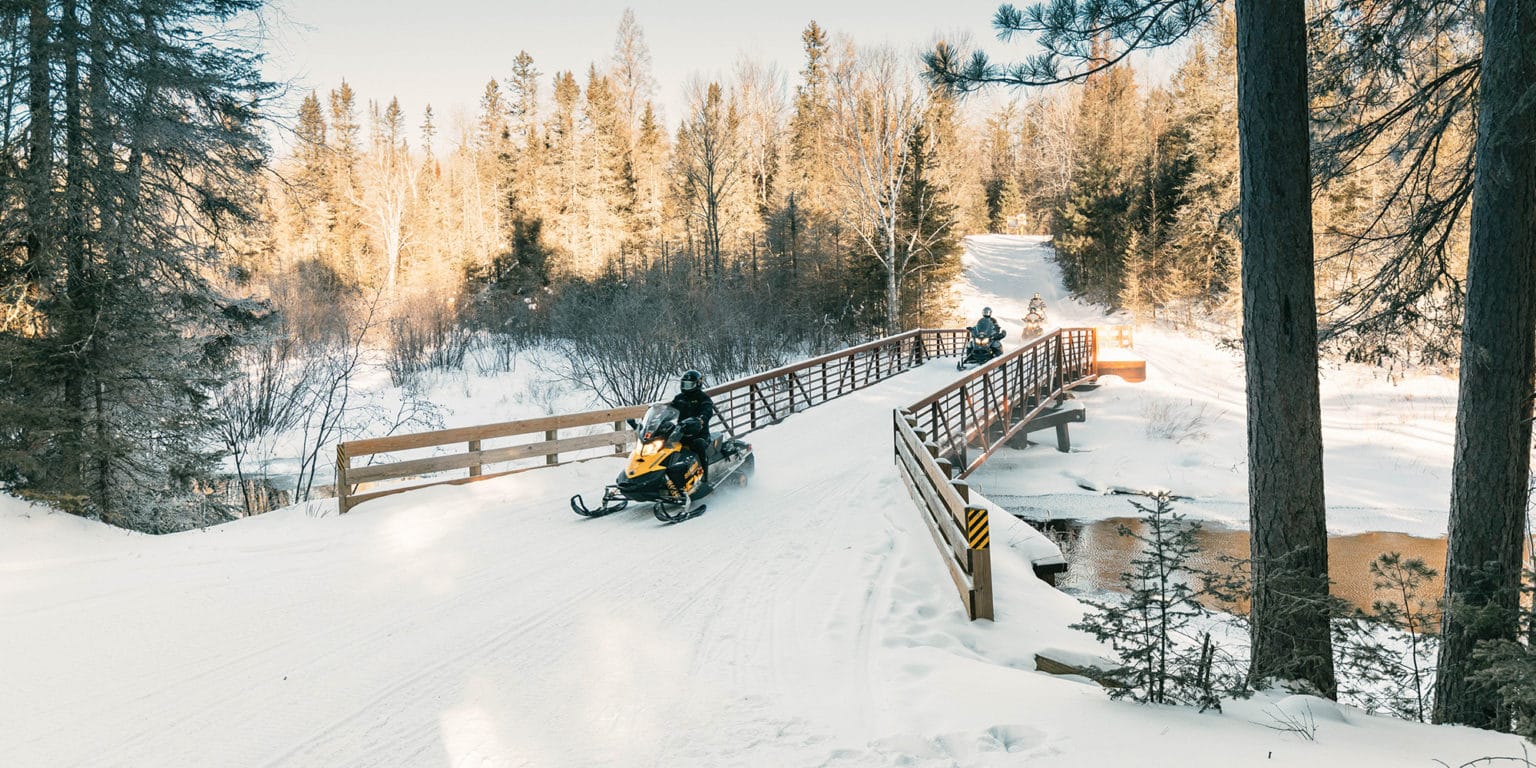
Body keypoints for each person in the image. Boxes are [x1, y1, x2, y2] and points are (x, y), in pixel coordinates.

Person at [668, 369, 717, 489]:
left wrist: (701, 419)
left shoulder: (703, 398)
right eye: (684, 384)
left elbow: (707, 410)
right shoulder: (679, 398)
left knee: (698, 444)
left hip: (699, 433)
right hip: (681, 433)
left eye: (689, 385)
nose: (686, 387)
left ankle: (705, 476)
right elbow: (670, 412)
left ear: (698, 384)